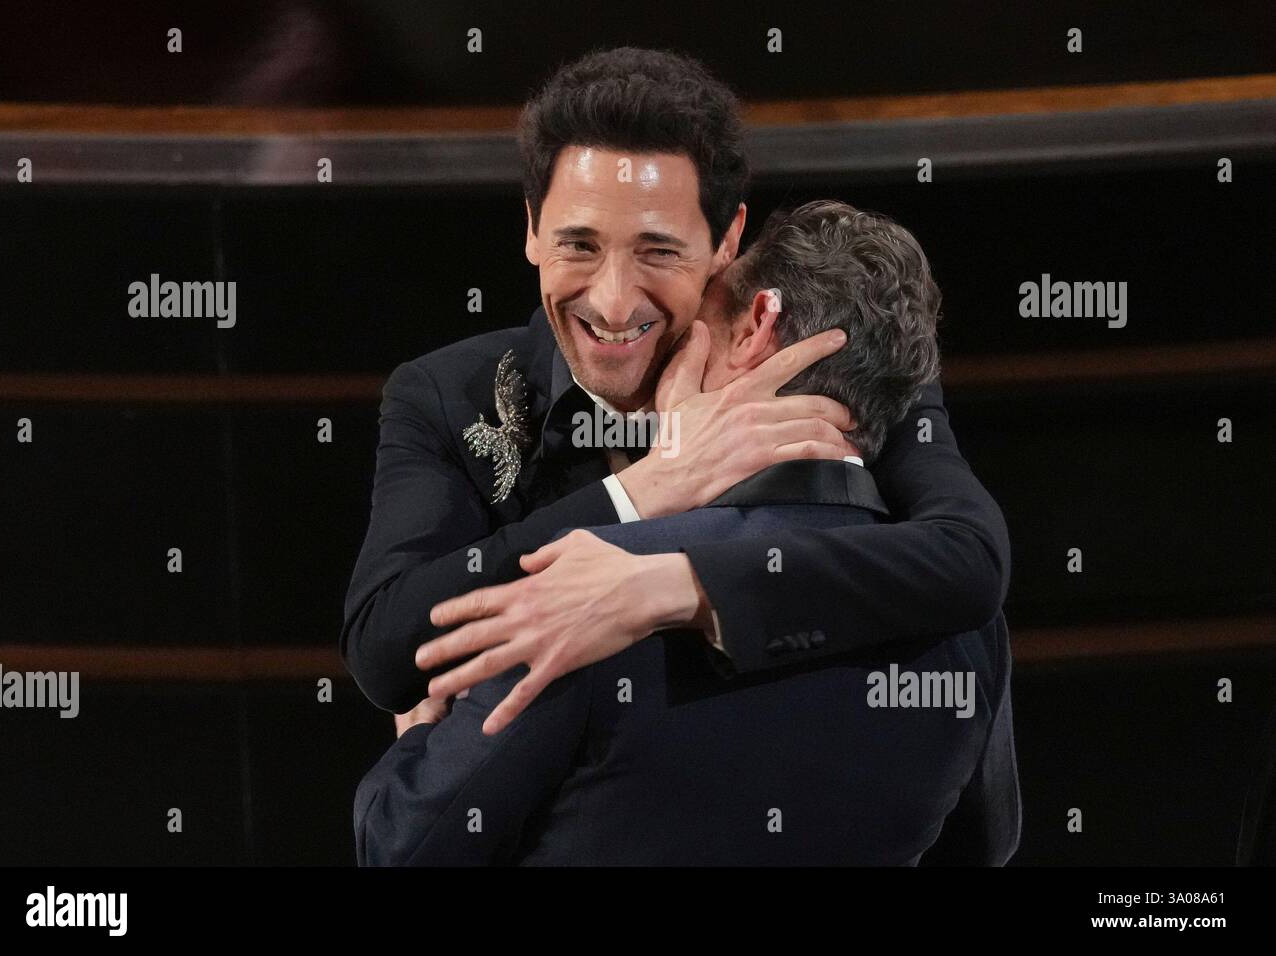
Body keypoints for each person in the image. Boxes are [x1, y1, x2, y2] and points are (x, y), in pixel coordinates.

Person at [340, 48, 1010, 741]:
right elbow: (387, 652)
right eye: (579, 245)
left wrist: (681, 586)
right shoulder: (447, 393)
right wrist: (648, 491)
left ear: (727, 241)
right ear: (533, 229)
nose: (613, 301)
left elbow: (970, 562)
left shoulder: (820, 359)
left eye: (658, 251)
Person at [354, 201, 1021, 865]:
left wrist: (417, 738)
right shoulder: (964, 621)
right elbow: (986, 847)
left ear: (757, 324)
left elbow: (405, 849)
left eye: (699, 310)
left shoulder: (587, 594)